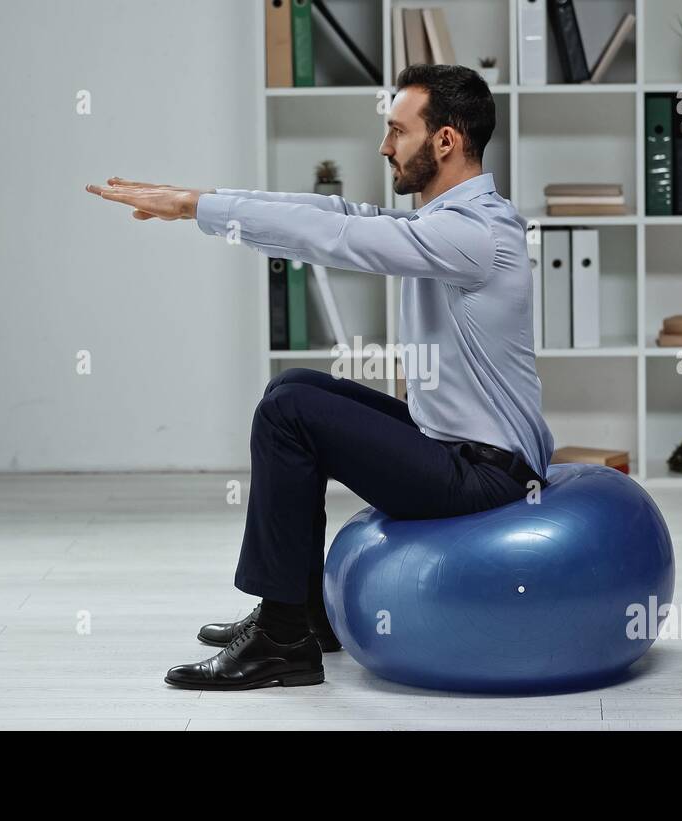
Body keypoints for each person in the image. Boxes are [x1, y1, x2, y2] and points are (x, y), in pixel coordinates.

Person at [86, 64, 554, 691]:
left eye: (397, 131)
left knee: (288, 415)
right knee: (292, 390)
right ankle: (304, 611)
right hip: (454, 448)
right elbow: (335, 210)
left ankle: (282, 641)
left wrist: (198, 208)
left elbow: (338, 237)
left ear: (445, 140)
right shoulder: (447, 219)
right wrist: (200, 200)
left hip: (485, 476)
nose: (385, 146)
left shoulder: (473, 233)